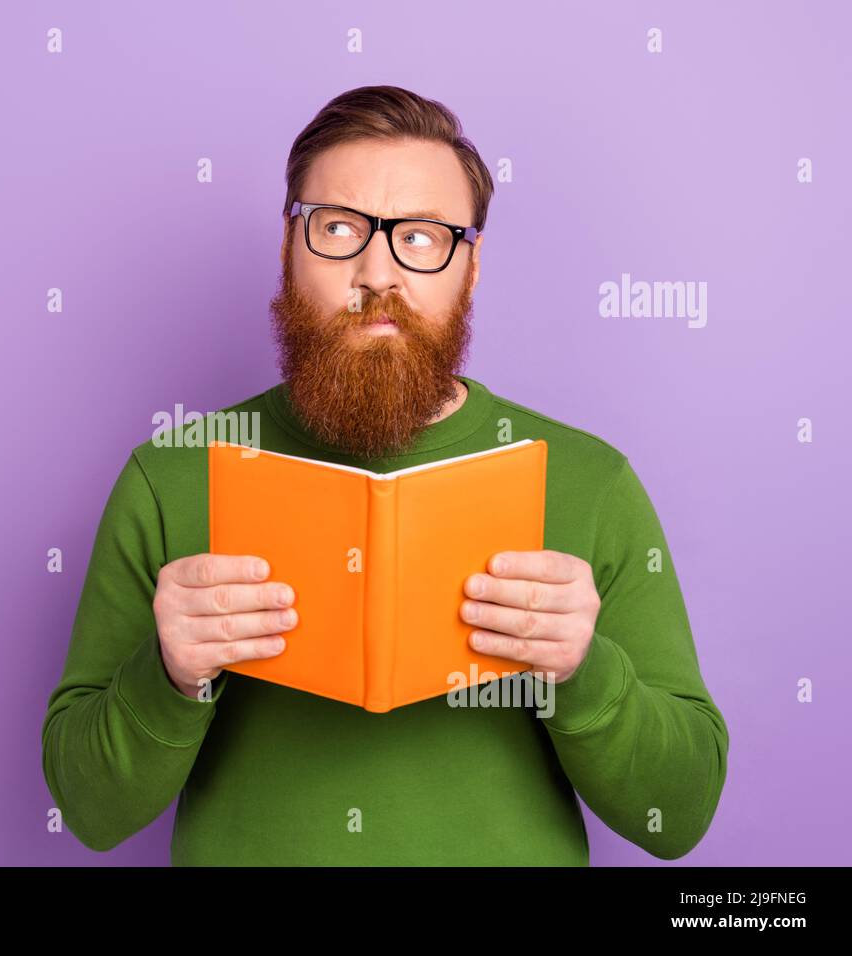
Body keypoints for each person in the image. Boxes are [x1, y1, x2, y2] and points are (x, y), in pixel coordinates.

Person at [41, 85, 729, 865]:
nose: (378, 273)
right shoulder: (168, 478)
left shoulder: (590, 482)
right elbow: (90, 810)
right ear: (287, 249)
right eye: (338, 228)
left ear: (470, 267)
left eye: (424, 237)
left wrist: (582, 669)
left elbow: (679, 814)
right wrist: (168, 675)